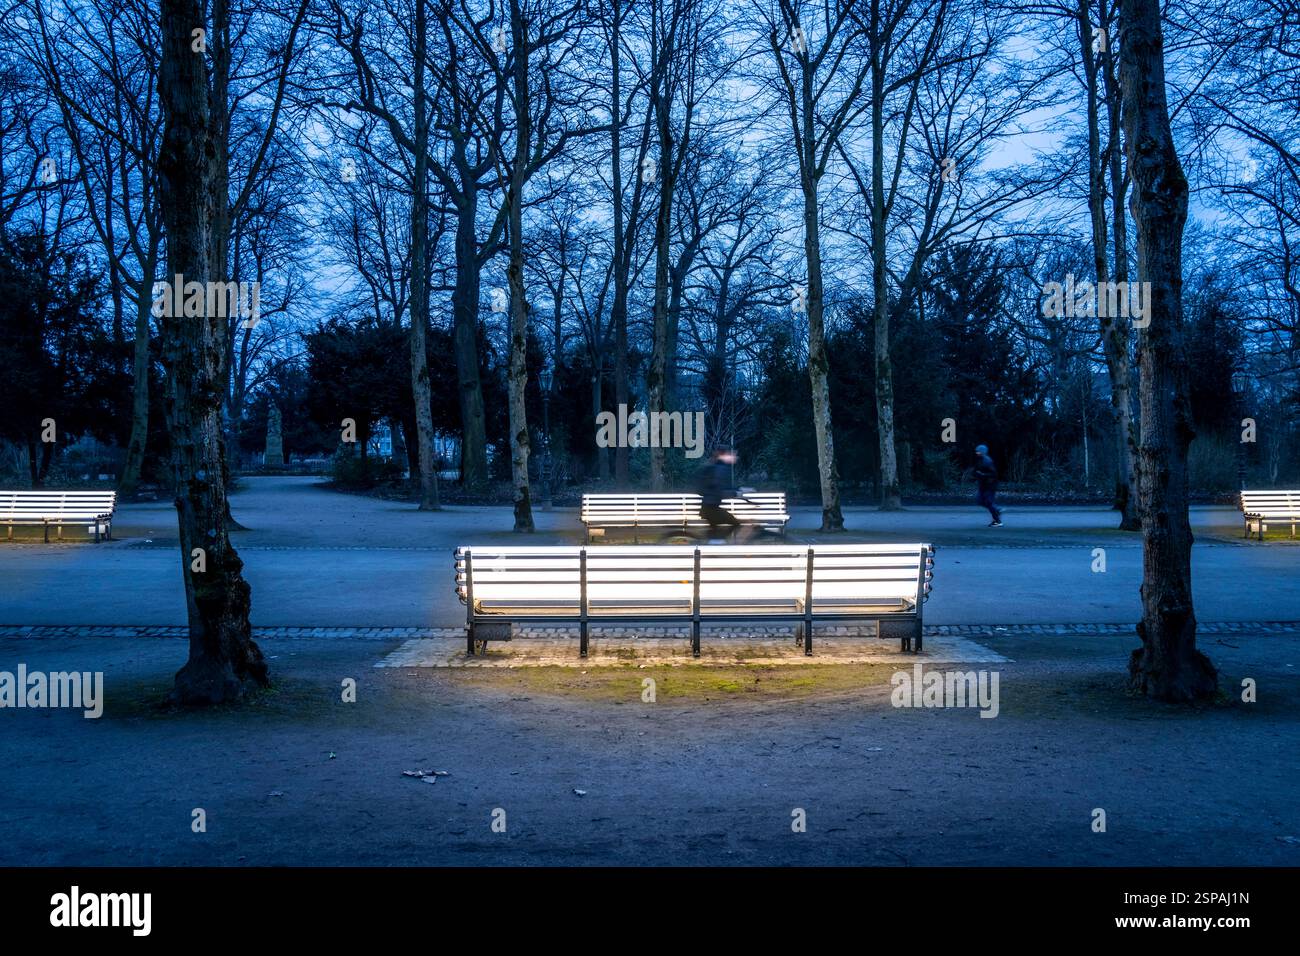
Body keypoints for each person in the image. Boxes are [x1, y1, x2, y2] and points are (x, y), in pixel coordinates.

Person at [696, 448, 741, 542]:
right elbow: (719, 490)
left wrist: (737, 490)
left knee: (714, 532)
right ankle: (717, 542)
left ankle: (713, 542)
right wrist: (736, 493)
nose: (735, 457)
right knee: (735, 523)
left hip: (708, 508)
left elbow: (720, 487)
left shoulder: (716, 467)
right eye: (732, 454)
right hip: (711, 509)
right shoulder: (720, 468)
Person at [974, 444, 1002, 527]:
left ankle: (997, 521)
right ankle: (996, 510)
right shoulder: (980, 459)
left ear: (983, 452)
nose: (977, 452)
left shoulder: (987, 461)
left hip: (990, 485)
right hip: (983, 485)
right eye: (977, 451)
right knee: (980, 501)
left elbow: (994, 474)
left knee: (989, 502)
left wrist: (982, 475)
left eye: (978, 451)